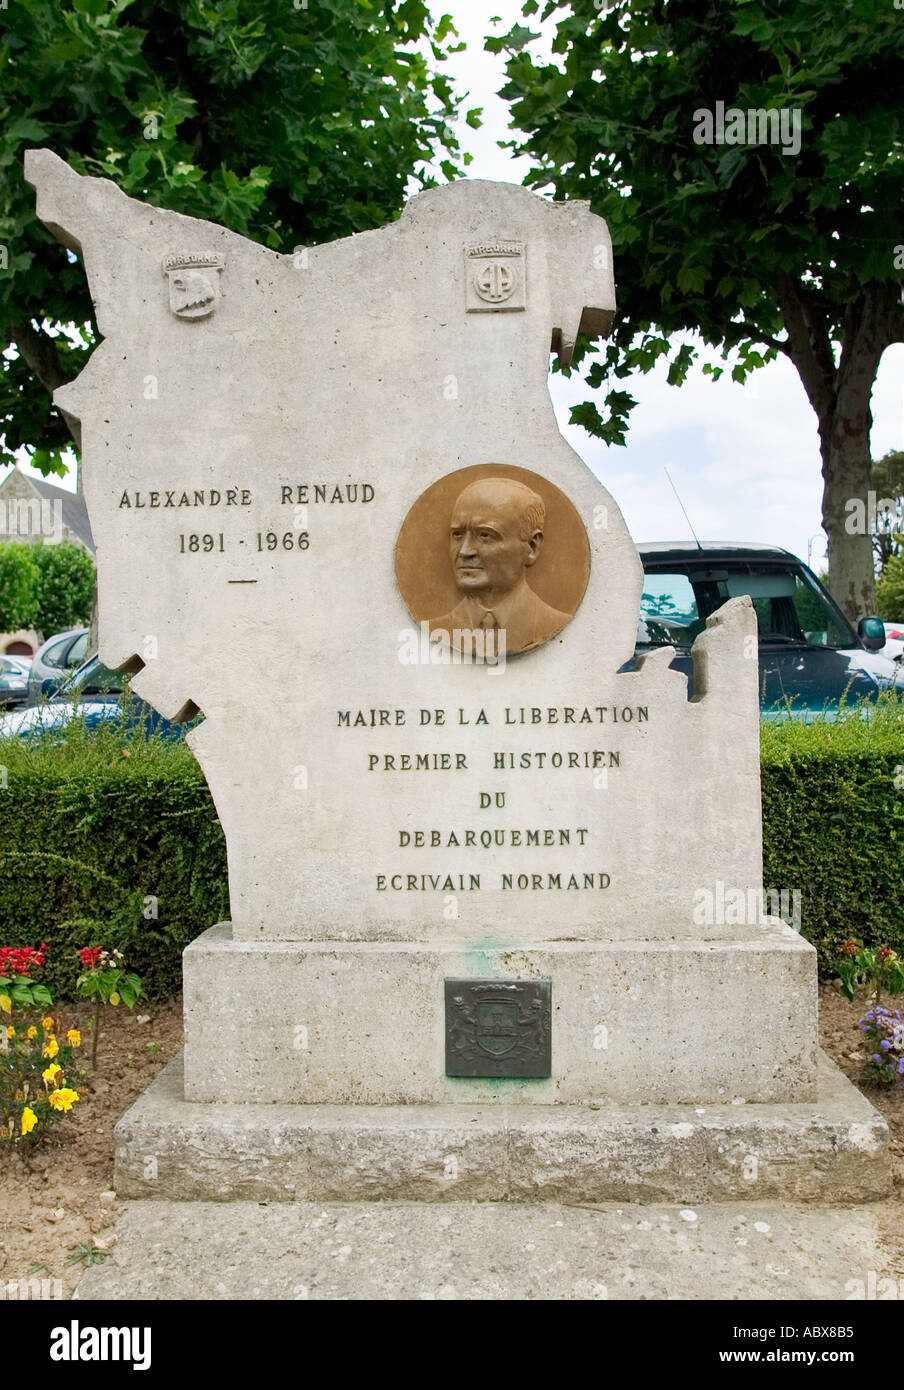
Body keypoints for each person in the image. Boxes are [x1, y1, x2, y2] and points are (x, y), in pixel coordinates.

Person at [429, 476, 571, 655]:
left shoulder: (551, 622)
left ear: (532, 547)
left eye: (485, 535)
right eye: (457, 535)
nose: (465, 551)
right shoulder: (435, 629)